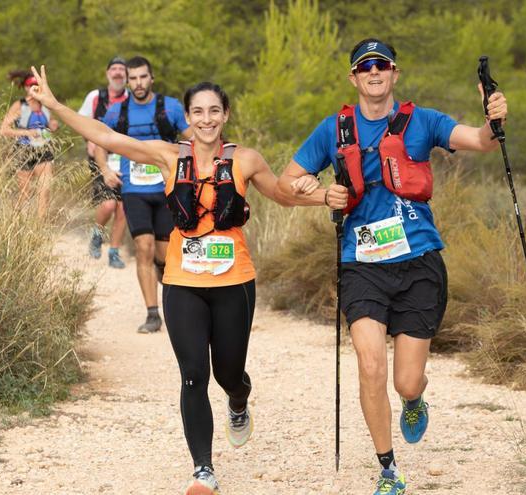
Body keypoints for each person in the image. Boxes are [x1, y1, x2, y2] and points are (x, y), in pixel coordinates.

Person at [26, 66, 318, 494]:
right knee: (192, 375)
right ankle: (203, 469)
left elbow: (282, 194)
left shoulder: (245, 159)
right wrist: (53, 106)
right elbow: (107, 138)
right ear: (187, 117)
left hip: (233, 280)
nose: (205, 119)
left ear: (225, 115)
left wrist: (320, 193)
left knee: (229, 373)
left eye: (213, 111)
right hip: (181, 281)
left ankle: (239, 400)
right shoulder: (168, 156)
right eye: (197, 111)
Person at [275, 38, 508, 495]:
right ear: (354, 78)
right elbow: (286, 185)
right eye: (365, 67)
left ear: (395, 73)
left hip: (418, 259)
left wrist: (493, 118)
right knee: (369, 364)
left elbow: (481, 142)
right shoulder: (334, 130)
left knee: (403, 381)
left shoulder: (423, 122)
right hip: (361, 262)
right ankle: (388, 471)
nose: (374, 73)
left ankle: (415, 398)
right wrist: (323, 194)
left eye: (381, 65)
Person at [96, 56, 191, 333]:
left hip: (166, 191)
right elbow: (100, 140)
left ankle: (168, 283)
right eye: (133, 78)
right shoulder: (118, 112)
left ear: (151, 78)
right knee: (143, 248)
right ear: (127, 81)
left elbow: (192, 139)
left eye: (142, 77)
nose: (138, 83)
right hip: (134, 191)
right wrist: (104, 169)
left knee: (165, 255)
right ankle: (153, 314)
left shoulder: (169, 107)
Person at [78, 56, 129, 268]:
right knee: (108, 204)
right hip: (101, 158)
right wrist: (89, 140)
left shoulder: (132, 99)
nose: (117, 73)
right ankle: (97, 234)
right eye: (114, 69)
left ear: (126, 75)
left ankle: (114, 252)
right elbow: (81, 121)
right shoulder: (95, 97)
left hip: (126, 158)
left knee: (123, 209)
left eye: (121, 70)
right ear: (108, 73)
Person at [0, 70, 59, 219]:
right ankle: (17, 222)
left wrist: (52, 126)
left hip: (44, 148)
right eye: (31, 85)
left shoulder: (45, 105)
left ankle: (40, 224)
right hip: (23, 149)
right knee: (25, 192)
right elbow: (3, 130)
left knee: (44, 189)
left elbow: (48, 125)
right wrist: (26, 133)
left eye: (36, 84)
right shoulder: (20, 105)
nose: (34, 87)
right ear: (26, 87)